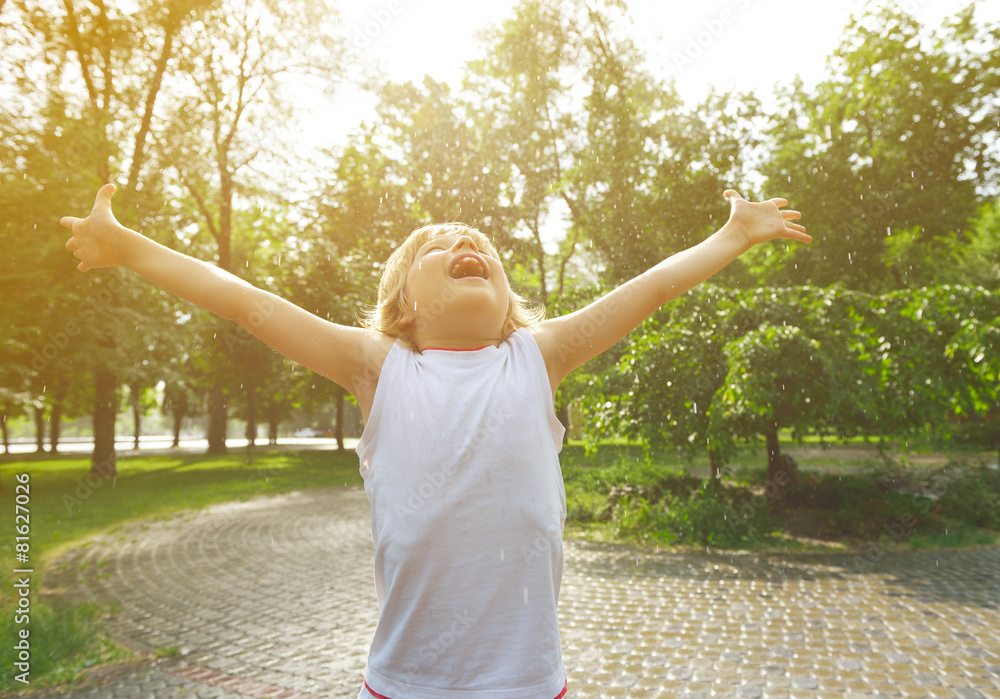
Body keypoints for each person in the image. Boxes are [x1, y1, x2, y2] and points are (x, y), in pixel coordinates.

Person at [60, 184, 809, 698]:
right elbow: (248, 306)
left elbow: (652, 289)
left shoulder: (536, 355)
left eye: (480, 244)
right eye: (439, 246)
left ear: (510, 301)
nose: (465, 242)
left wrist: (732, 234)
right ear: (403, 306)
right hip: (406, 682)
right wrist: (129, 249)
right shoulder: (378, 365)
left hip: (527, 681)